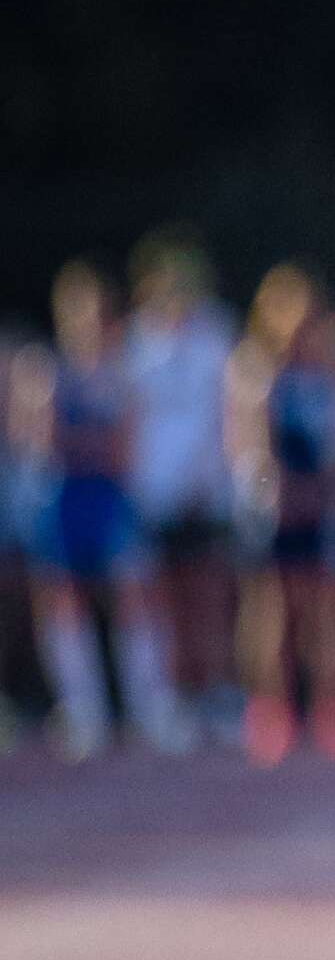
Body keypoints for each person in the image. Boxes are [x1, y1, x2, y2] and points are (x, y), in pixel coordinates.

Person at [14, 262, 191, 756]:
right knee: (65, 602)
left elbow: (122, 449)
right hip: (64, 501)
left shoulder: (121, 375)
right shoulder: (47, 371)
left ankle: (151, 708)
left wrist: (85, 443)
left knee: (136, 598)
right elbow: (46, 440)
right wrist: (87, 442)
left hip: (110, 500)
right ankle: (84, 712)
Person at [226, 264, 335, 759]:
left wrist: (330, 495)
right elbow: (250, 444)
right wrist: (275, 494)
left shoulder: (331, 375)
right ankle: (270, 706)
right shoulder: (257, 372)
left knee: (329, 612)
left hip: (323, 505)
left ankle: (333, 706)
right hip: (273, 508)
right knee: (273, 610)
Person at [125, 236, 242, 726]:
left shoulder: (216, 336)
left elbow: (230, 413)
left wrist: (214, 476)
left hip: (208, 487)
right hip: (155, 490)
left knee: (209, 593)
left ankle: (215, 689)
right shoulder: (137, 345)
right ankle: (171, 696)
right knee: (162, 597)